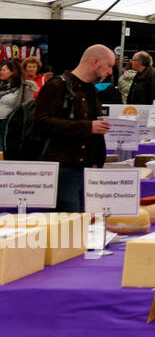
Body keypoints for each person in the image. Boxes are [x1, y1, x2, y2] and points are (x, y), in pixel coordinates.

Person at [33, 45, 116, 212]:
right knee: (69, 225)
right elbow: (41, 122)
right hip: (64, 169)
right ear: (95, 61)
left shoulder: (91, 90)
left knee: (84, 223)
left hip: (87, 169)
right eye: (109, 66)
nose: (110, 72)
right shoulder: (57, 86)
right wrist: (87, 127)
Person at [0, 59, 23, 152]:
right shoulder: (1, 85)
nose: (0, 72)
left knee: (6, 149)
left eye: (4, 70)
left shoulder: (23, 87)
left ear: (13, 72)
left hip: (10, 123)